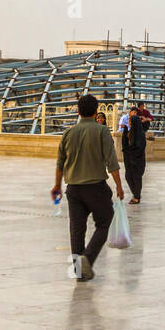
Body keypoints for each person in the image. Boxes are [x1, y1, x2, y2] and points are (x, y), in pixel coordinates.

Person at [52, 94, 124, 282]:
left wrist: (57, 186)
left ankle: (78, 272)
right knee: (104, 221)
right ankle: (87, 258)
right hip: (95, 188)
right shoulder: (101, 131)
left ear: (78, 111)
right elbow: (112, 162)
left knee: (76, 230)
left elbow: (60, 163)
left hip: (73, 189)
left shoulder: (68, 133)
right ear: (95, 111)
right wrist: (119, 186)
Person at [120, 106, 149, 204]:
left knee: (136, 178)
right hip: (129, 160)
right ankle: (136, 194)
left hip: (137, 161)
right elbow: (124, 145)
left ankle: (136, 197)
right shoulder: (129, 132)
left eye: (130, 121)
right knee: (128, 176)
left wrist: (130, 152)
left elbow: (139, 148)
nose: (128, 122)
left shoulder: (140, 134)